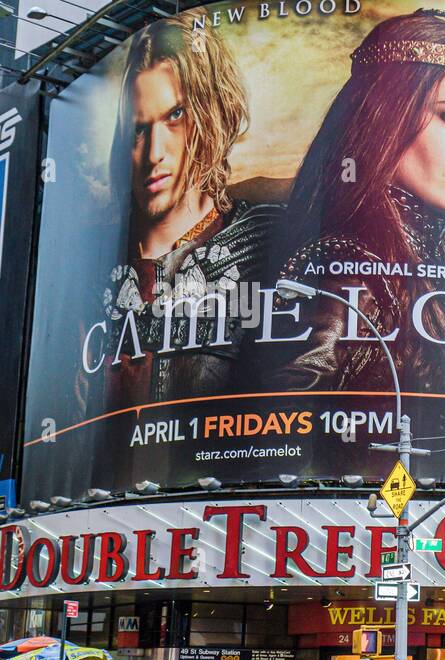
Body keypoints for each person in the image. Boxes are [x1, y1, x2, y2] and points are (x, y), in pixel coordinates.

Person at [269, 8, 445, 421]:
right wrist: (395, 489)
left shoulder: (434, 269)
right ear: (383, 114)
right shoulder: (350, 269)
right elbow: (289, 425)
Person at [93, 11, 279, 436]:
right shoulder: (90, 263)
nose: (154, 151)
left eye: (175, 116)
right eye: (139, 130)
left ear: (213, 112)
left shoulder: (267, 243)